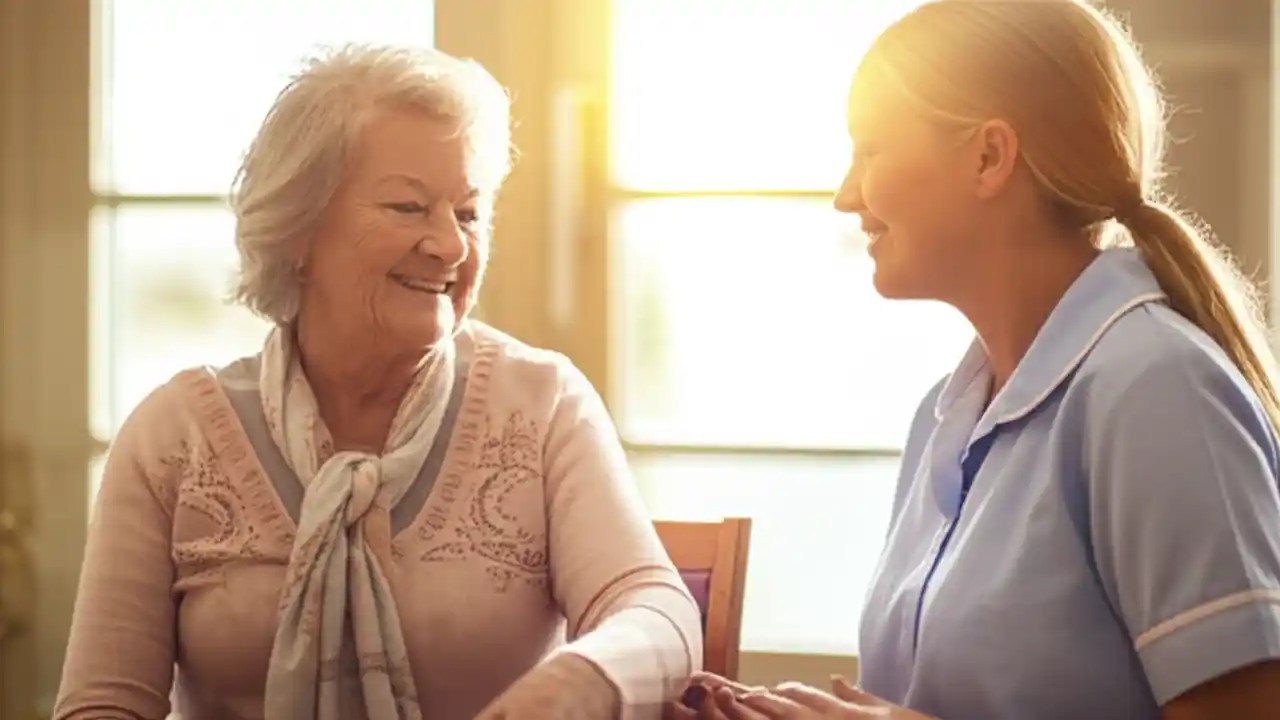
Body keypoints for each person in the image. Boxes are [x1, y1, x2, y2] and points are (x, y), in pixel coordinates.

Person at [55, 45, 701, 720]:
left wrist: (585, 677)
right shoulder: (173, 435)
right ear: (298, 226)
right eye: (408, 207)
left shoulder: (543, 404)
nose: (451, 245)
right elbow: (102, 702)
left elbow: (655, 608)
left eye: (470, 213)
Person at [678, 1, 1280, 718]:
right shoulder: (946, 415)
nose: (845, 196)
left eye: (869, 150)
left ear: (990, 156)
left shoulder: (1157, 390)